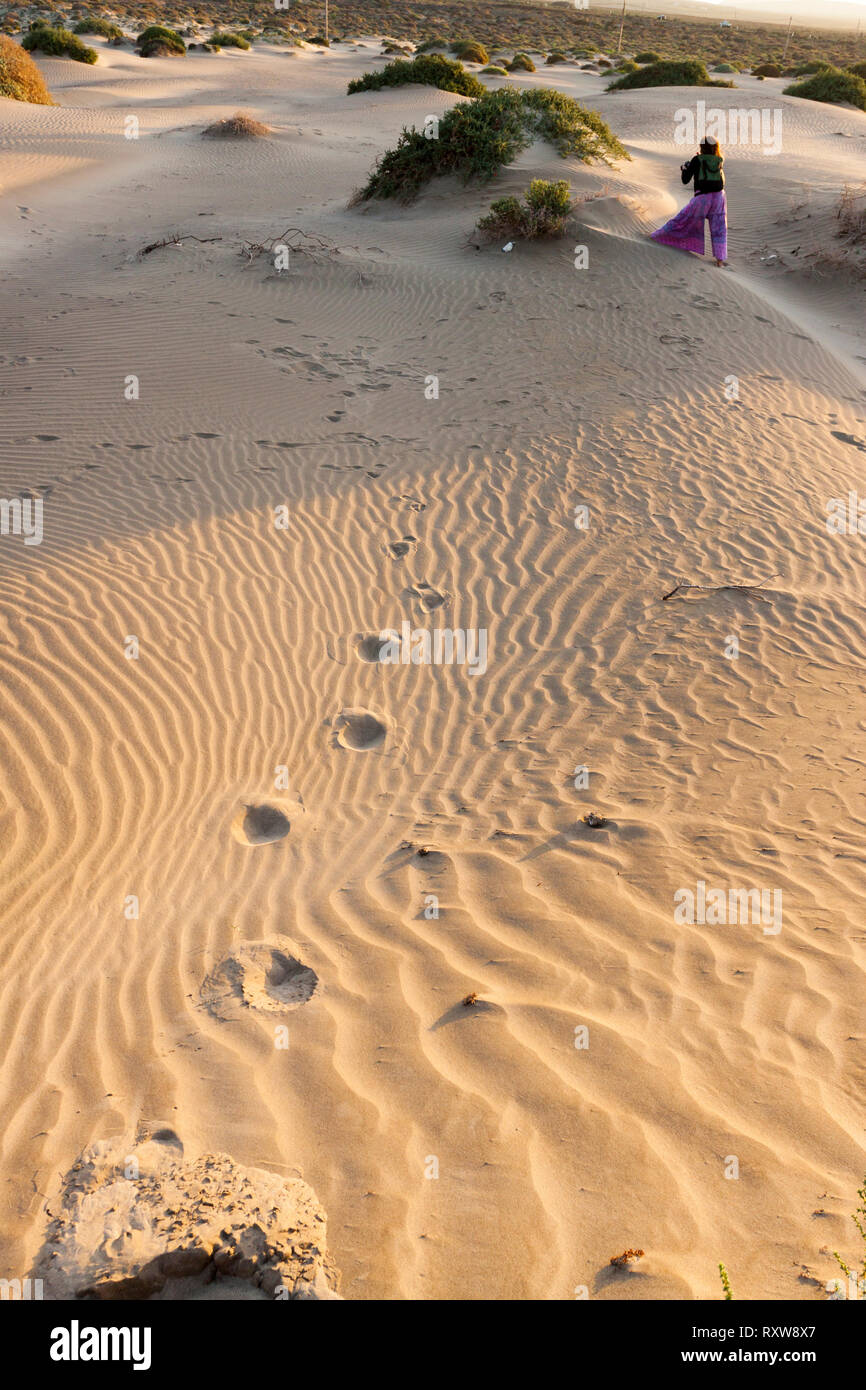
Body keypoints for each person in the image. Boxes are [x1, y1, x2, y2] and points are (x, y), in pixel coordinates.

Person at [650, 138, 728, 267]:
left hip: (702, 198)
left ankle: (658, 237)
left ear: (701, 147)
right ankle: (720, 260)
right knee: (719, 228)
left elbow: (685, 180)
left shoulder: (697, 160)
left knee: (682, 220)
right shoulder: (720, 159)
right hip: (719, 197)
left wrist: (685, 168)